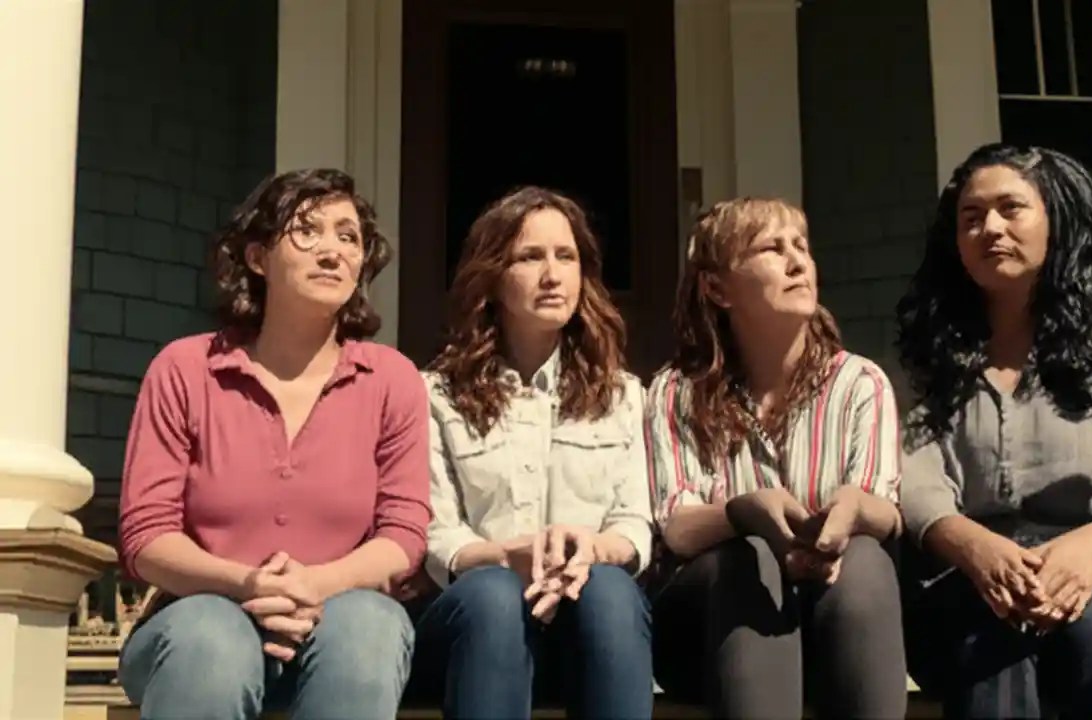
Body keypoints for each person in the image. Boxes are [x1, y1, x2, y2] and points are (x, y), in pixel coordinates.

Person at [116, 169, 430, 720]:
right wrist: (247, 584)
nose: (332, 251)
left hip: (338, 627)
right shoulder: (186, 369)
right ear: (258, 258)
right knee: (214, 640)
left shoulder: (392, 379)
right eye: (307, 232)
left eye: (348, 236)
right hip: (197, 623)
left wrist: (312, 585)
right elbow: (147, 536)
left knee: (369, 627)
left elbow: (403, 534)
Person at [895, 143, 1092, 720]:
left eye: (1011, 209)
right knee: (991, 628)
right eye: (971, 218)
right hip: (969, 580)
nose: (990, 228)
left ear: (1056, 219)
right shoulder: (934, 354)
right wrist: (975, 549)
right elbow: (915, 480)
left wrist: (1089, 551)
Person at [645, 197, 908, 720]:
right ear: (717, 288)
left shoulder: (860, 384)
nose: (797, 263)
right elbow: (677, 528)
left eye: (802, 248)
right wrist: (746, 513)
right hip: (710, 630)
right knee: (751, 558)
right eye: (771, 248)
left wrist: (853, 508)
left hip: (831, 620)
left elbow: (885, 509)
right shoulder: (677, 390)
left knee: (865, 561)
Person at [411, 186, 653, 719]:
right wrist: (504, 557)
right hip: (475, 631)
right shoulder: (435, 395)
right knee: (494, 594)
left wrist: (591, 550)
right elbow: (436, 534)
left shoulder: (622, 395)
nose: (552, 275)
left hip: (584, 628)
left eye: (566, 257)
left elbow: (634, 523)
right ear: (492, 276)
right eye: (530, 257)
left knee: (609, 591)